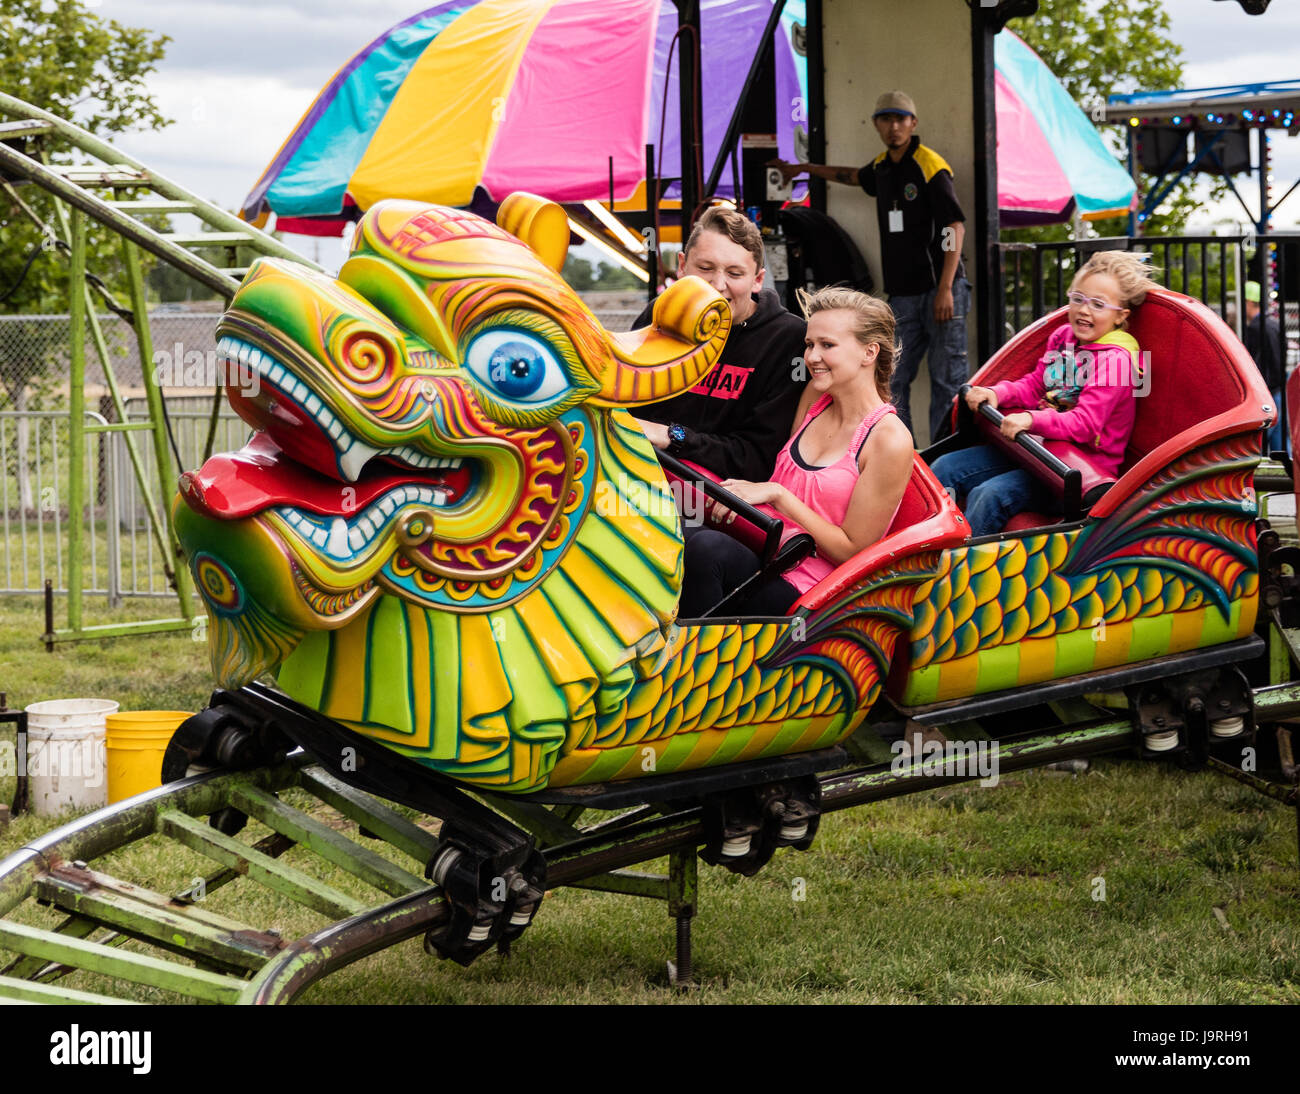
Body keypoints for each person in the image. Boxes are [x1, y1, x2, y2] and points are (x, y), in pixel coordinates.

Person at [679, 287, 914, 617]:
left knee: (705, 551)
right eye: (809, 344)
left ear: (869, 352)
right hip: (766, 552)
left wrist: (777, 496)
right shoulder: (814, 401)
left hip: (813, 593)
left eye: (827, 345)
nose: (812, 357)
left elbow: (853, 551)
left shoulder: (888, 439)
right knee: (673, 531)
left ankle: (695, 663)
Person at [770, 90, 969, 445]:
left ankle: (943, 459)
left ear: (913, 123)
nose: (894, 127)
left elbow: (955, 226)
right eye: (886, 119)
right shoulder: (881, 167)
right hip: (903, 294)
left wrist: (946, 288)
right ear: (876, 124)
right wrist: (803, 169)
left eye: (901, 119)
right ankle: (900, 456)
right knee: (891, 377)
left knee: (946, 380)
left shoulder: (929, 165)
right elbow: (849, 176)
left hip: (940, 290)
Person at [930, 251, 1158, 538]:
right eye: (1078, 299)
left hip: (1075, 471)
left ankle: (958, 569)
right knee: (945, 467)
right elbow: (1036, 386)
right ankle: (927, 543)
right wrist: (996, 394)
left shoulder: (1116, 361)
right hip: (1037, 450)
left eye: (1098, 305)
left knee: (989, 494)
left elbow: (1085, 425)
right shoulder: (1063, 338)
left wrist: (1030, 419)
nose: (1084, 310)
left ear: (1120, 316)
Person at [633, 206, 807, 482]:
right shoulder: (660, 315)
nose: (717, 284)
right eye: (705, 268)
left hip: (722, 504)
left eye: (735, 274)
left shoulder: (788, 339)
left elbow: (758, 459)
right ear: (681, 266)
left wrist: (671, 436)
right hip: (637, 481)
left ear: (757, 280)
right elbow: (624, 408)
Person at [1243, 280, 1286, 452]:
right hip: (1278, 390)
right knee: (1280, 449)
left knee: (1255, 448)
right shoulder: (1273, 323)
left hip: (1266, 392)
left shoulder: (1256, 327)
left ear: (1249, 302)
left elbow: (1254, 361)